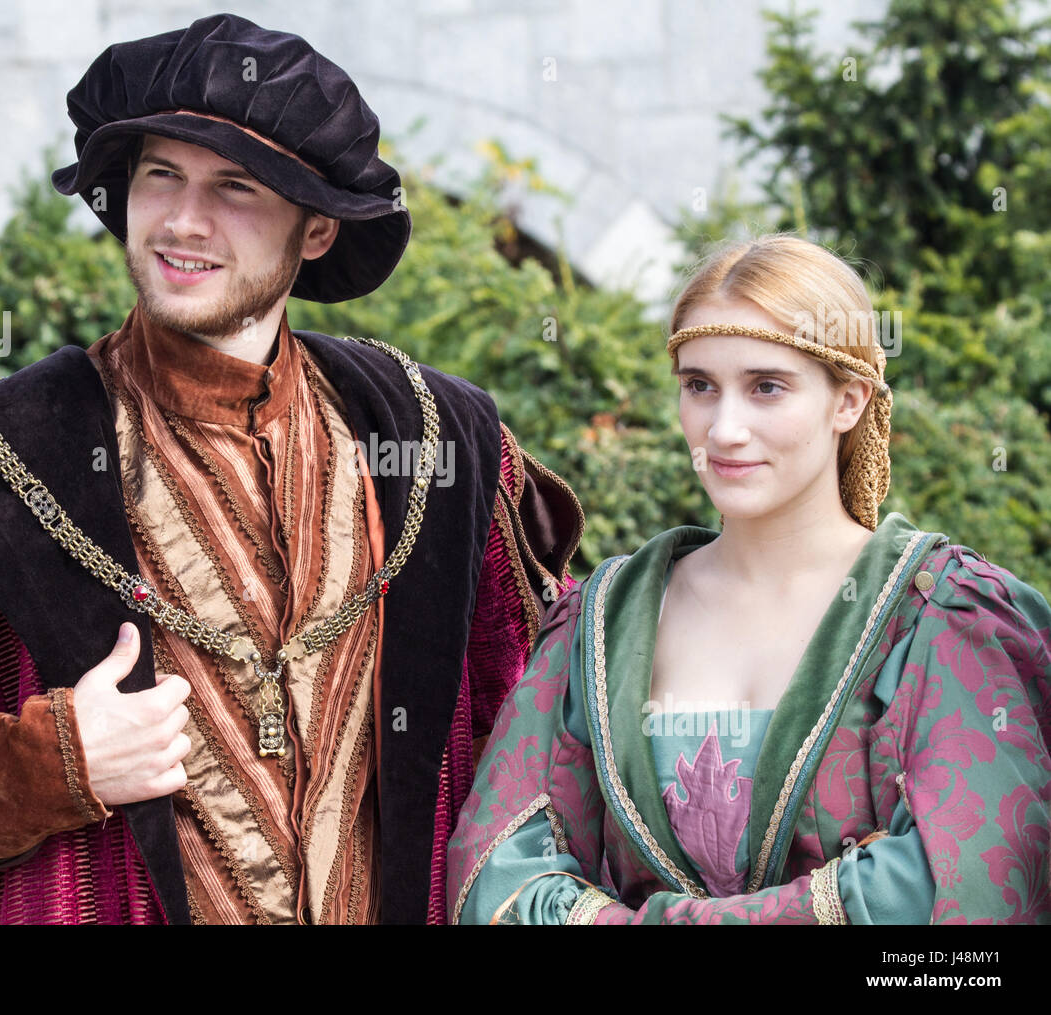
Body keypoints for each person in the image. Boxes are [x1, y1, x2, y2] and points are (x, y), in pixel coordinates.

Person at [0, 14, 584, 925]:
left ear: (314, 232)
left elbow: (554, 729)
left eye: (236, 186)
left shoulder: (438, 443)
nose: (185, 221)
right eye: (161, 176)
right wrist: (48, 762)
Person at [447, 234, 1051, 924]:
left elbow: (967, 893)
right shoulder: (603, 621)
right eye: (700, 386)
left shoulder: (943, 618)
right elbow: (495, 872)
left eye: (767, 387)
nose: (724, 429)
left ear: (849, 400)